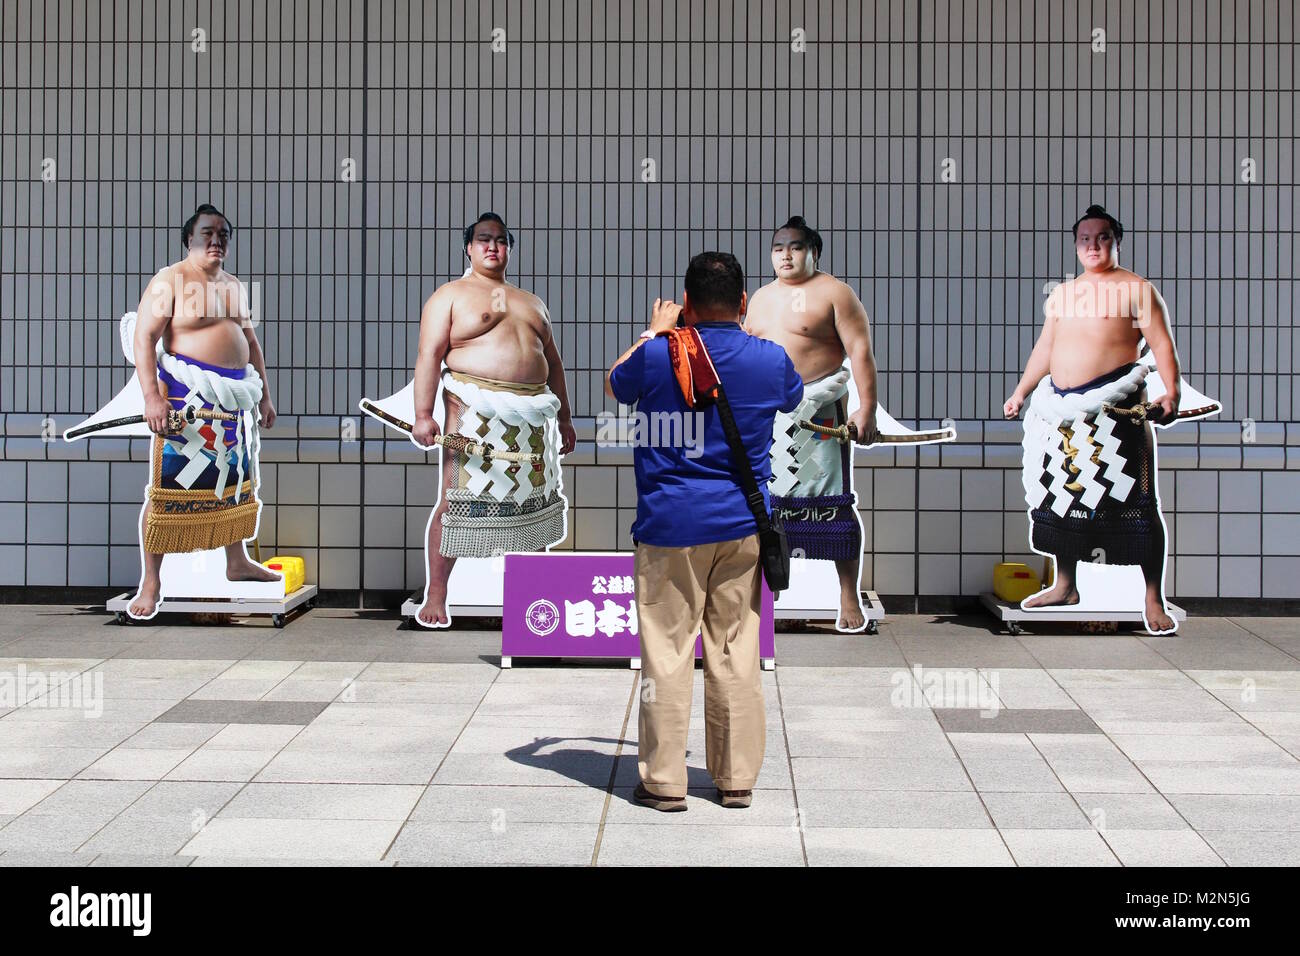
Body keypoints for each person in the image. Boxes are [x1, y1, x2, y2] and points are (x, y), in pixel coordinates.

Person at [605, 251, 802, 811]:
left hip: (670, 525)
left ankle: (665, 783)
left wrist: (655, 331)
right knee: (736, 650)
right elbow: (790, 397)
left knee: (666, 653)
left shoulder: (657, 354)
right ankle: (736, 779)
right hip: (743, 524)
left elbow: (613, 384)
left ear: (686, 304)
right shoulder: (770, 358)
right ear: (743, 303)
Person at [1004, 204, 1181, 634]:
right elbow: (1046, 348)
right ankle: (1066, 585)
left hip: (1115, 412)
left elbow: (1162, 346)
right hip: (1062, 414)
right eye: (1085, 238)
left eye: (1102, 237)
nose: (1093, 245)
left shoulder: (1137, 290)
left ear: (1116, 241)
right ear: (1076, 245)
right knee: (1064, 499)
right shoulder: (1064, 294)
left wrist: (1171, 392)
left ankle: (1153, 598)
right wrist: (1021, 391)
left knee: (1134, 505)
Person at [410, 212, 577, 628]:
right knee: (457, 502)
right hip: (473, 412)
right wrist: (422, 414)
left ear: (508, 249)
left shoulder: (532, 302)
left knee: (533, 505)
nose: (492, 246)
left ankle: (535, 596)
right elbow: (429, 355)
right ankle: (437, 593)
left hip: (533, 417)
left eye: (501, 240)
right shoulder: (450, 295)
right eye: (483, 239)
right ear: (468, 247)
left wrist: (568, 420)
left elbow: (554, 364)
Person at [128, 203, 279, 619]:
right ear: (189, 239)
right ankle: (151, 581)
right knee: (170, 491)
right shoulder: (170, 279)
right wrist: (151, 398)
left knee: (234, 483)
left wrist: (265, 395)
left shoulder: (234, 286)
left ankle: (237, 560)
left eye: (223, 235)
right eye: (207, 233)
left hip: (232, 401)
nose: (216, 240)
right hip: (185, 400)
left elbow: (251, 343)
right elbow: (144, 339)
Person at [744, 216, 880, 631]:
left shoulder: (835, 293)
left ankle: (847, 596)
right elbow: (745, 348)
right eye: (778, 247)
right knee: (769, 509)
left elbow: (859, 350)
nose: (786, 254)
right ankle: (777, 597)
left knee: (830, 507)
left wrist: (867, 409)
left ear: (813, 252)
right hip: (769, 416)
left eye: (796, 246)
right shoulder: (761, 298)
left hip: (821, 413)